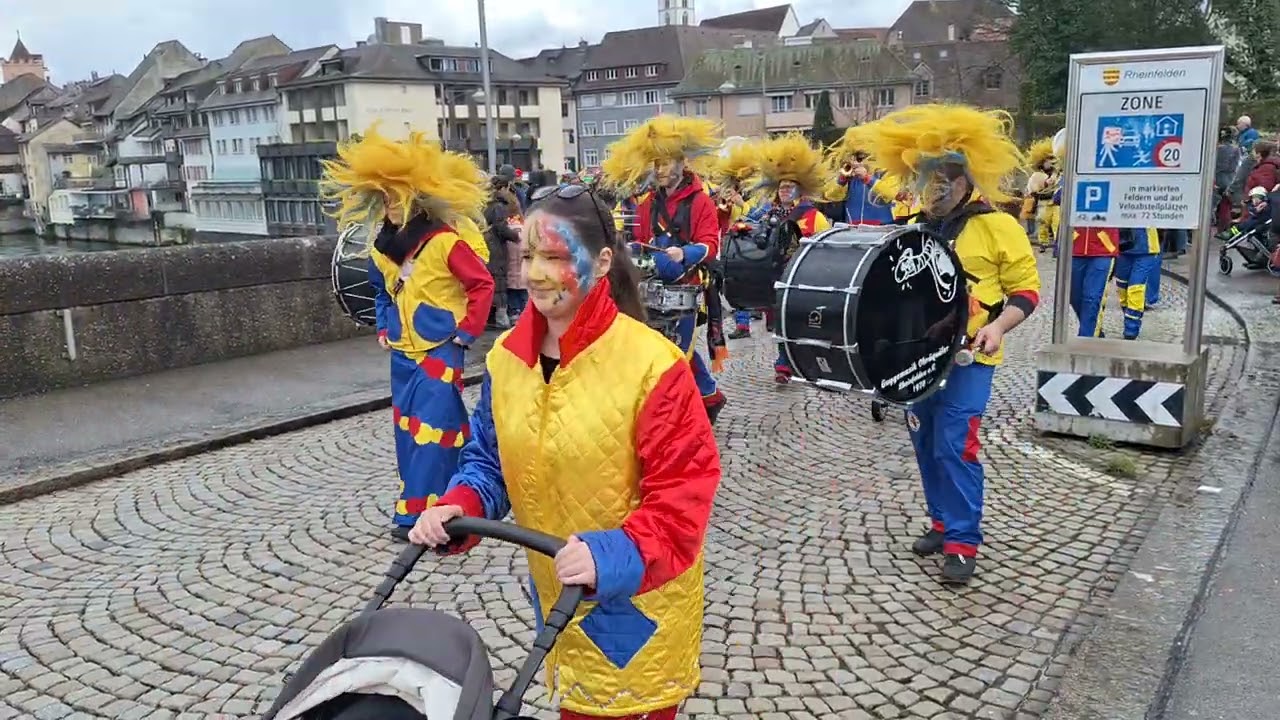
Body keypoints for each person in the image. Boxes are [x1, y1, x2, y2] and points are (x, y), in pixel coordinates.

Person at [408, 183, 722, 720]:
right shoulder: (507, 359)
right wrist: (459, 504)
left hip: (641, 610)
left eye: (554, 257)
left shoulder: (654, 366)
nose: (534, 272)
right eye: (529, 254)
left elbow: (683, 501)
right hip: (558, 602)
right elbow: (490, 459)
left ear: (602, 263)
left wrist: (610, 553)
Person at [849, 104, 1040, 584]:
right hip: (921, 358)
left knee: (956, 444)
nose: (934, 190)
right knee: (926, 442)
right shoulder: (915, 229)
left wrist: (998, 327)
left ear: (966, 181)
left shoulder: (999, 226)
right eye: (927, 180)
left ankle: (962, 541)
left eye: (944, 180)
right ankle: (941, 522)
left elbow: (1026, 292)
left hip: (971, 359)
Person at [321, 128, 495, 541]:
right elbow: (381, 291)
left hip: (440, 347)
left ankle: (421, 512)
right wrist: (384, 326)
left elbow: (482, 284)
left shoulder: (445, 243)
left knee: (434, 427)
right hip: (403, 350)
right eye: (384, 200)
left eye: (397, 198)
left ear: (417, 200)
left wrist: (466, 332)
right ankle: (451, 496)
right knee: (409, 429)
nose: (391, 207)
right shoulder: (383, 249)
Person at [603, 115, 729, 421]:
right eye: (656, 164)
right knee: (665, 347)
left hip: (687, 286)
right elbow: (640, 241)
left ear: (682, 163)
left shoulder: (701, 202)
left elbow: (710, 245)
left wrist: (684, 253)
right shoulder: (648, 203)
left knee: (676, 350)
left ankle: (674, 413)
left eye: (665, 163)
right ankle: (709, 395)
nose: (659, 170)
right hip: (653, 286)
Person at [740, 133, 833, 382]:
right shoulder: (769, 214)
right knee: (782, 322)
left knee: (797, 322)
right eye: (782, 187)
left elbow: (825, 248)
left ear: (799, 191)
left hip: (803, 278)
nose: (784, 191)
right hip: (777, 276)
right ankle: (784, 363)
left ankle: (794, 361)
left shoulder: (813, 216)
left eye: (789, 187)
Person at [826, 128, 897, 225]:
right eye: (857, 157)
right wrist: (842, 180)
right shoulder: (850, 173)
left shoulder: (885, 171)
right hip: (853, 226)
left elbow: (891, 194)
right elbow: (831, 196)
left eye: (863, 157)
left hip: (882, 226)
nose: (858, 162)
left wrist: (868, 179)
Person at [1114, 227, 1161, 339]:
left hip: (1146, 249)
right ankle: (1129, 317)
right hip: (1121, 248)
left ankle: (1131, 329)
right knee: (1122, 289)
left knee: (1136, 288)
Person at [484, 176, 517, 329]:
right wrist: (516, 236)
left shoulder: (484, 203)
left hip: (486, 244)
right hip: (495, 246)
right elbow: (501, 228)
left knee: (489, 278)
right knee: (499, 278)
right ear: (503, 188)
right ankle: (500, 318)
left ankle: (488, 316)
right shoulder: (499, 206)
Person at [1024, 137, 1060, 253]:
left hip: (1055, 202)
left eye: (1052, 159)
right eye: (1048, 160)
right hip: (1043, 202)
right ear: (1042, 162)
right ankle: (1043, 243)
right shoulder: (1037, 175)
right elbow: (1036, 187)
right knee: (1043, 223)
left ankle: (1057, 244)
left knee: (1056, 223)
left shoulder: (1057, 172)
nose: (1050, 162)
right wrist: (1050, 179)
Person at [1215, 126, 1242, 232]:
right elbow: (1235, 167)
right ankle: (1223, 230)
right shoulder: (1236, 150)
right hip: (1229, 179)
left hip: (1217, 178)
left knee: (1212, 206)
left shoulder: (1217, 149)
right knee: (1225, 206)